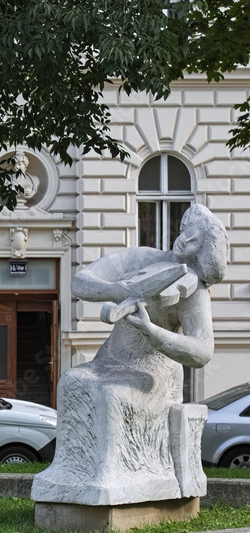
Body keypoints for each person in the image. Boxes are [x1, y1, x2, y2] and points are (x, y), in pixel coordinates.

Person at [32, 203, 228, 505]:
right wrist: (121, 289)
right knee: (70, 381)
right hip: (109, 361)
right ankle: (69, 473)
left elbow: (203, 351)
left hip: (153, 372)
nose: (185, 239)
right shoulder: (142, 259)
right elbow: (80, 282)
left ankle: (111, 476)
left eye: (196, 239)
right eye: (186, 229)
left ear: (203, 250)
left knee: (110, 396)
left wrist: (153, 332)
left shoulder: (193, 290)